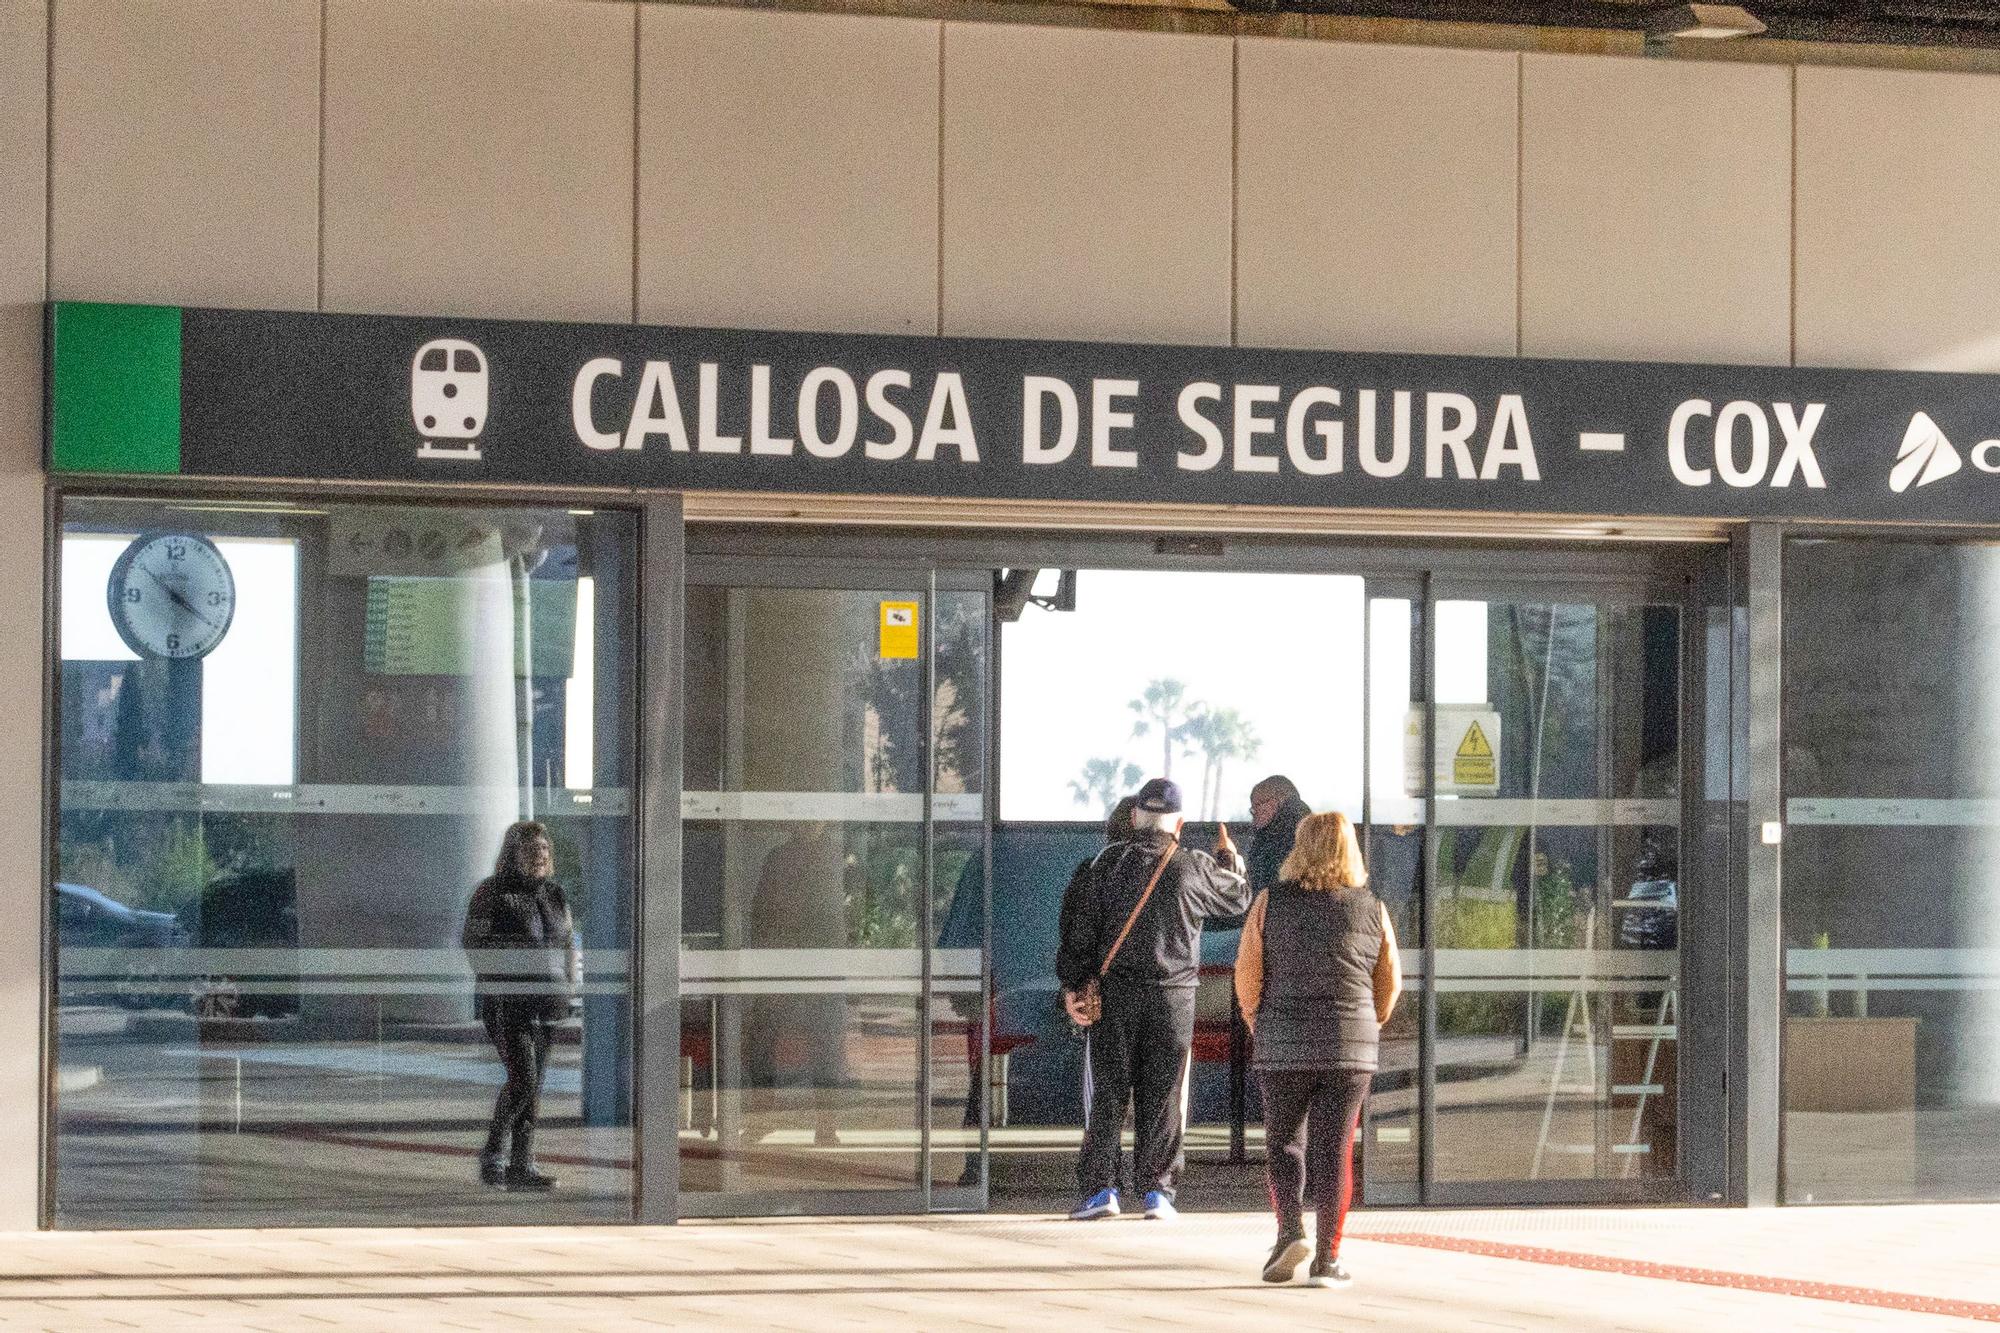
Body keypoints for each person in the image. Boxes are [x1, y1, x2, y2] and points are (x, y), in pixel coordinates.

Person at [1057, 777, 1250, 1222]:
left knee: (1106, 1092)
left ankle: (1100, 1190)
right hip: (1174, 998)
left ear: (1134, 817)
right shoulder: (1192, 866)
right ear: (1178, 824)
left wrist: (1074, 986)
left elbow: (1077, 937)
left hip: (1114, 997)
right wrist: (1230, 858)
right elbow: (1238, 898)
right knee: (1165, 1094)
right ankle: (1157, 1192)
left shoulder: (1103, 866)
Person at [1234, 811, 1402, 1288]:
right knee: (1335, 1150)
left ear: (1298, 848)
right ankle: (1327, 1259)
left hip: (1283, 1042)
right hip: (1349, 1047)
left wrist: (1257, 1023)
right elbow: (1389, 983)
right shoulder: (1373, 908)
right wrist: (1366, 1025)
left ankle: (1289, 1231)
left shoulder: (1270, 902)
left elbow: (1248, 974)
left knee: (1285, 1141)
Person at [462, 820, 580, 1192]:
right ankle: (494, 1151)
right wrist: (501, 982)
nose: (540, 856)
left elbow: (566, 946)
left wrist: (568, 987)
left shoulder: (556, 895)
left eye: (544, 849)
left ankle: (521, 1164)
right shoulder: (491, 893)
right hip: (507, 1003)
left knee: (534, 1086)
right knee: (523, 1079)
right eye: (531, 850)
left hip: (549, 1002)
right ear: (513, 854)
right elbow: (473, 945)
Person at [1247, 775, 1311, 893]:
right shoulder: (1313, 830)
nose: (1253, 816)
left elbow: (1260, 888)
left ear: (1272, 803)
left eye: (1255, 809)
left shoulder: (1271, 839)